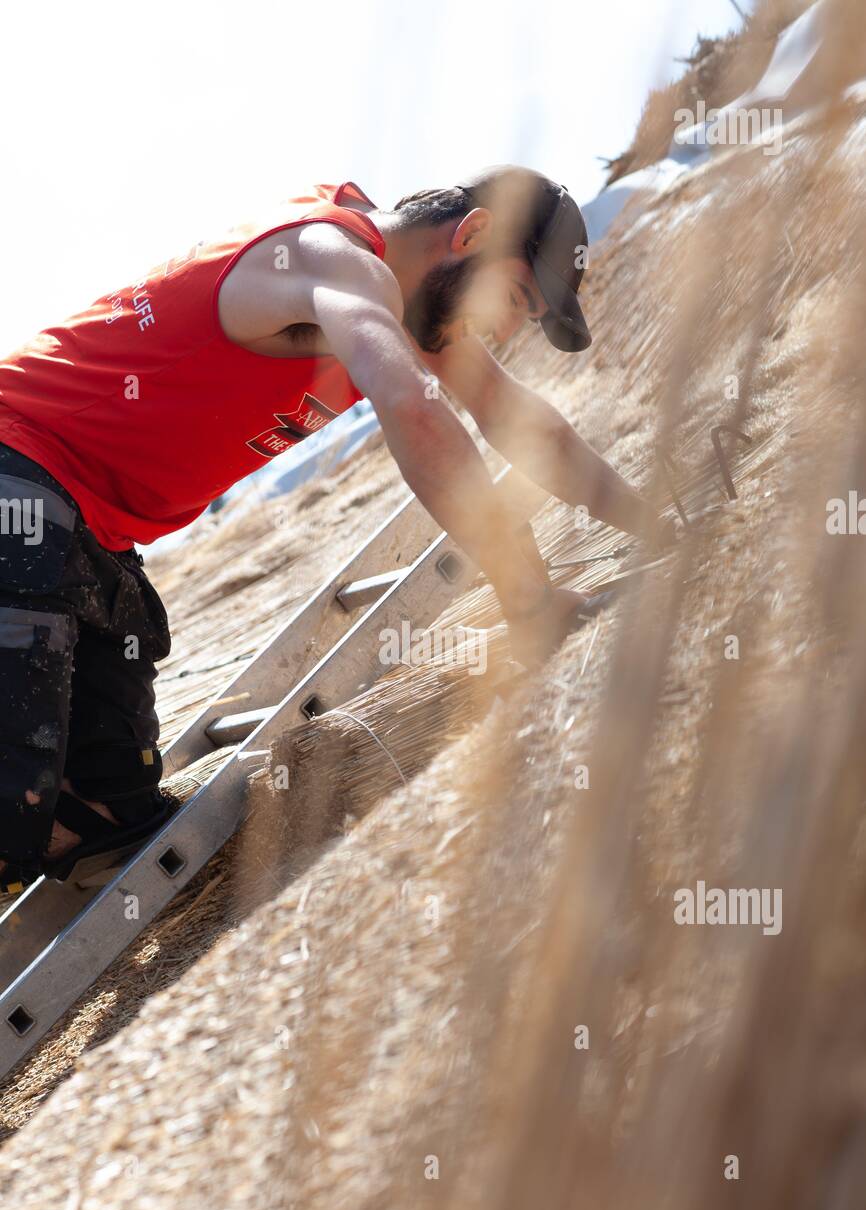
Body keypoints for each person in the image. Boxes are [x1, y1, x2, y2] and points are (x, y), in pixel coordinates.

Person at [0, 164, 668, 892]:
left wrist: (651, 523)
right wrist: (531, 600)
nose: (505, 330)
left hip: (84, 535)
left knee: (104, 816)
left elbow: (521, 423)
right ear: (470, 235)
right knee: (14, 796)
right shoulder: (331, 259)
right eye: (513, 298)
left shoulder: (411, 304)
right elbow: (414, 409)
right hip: (19, 479)